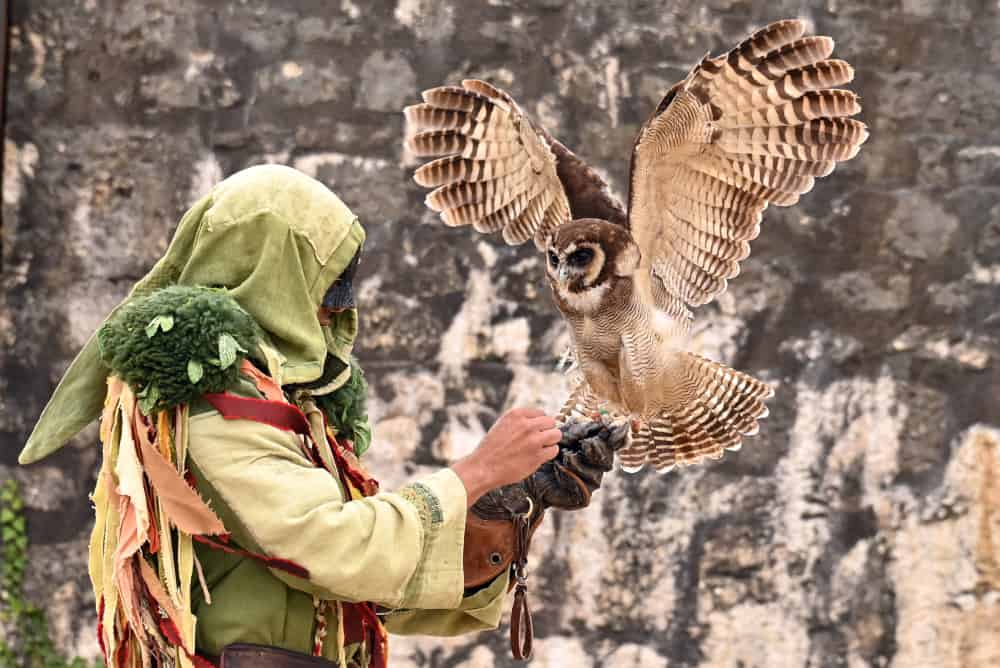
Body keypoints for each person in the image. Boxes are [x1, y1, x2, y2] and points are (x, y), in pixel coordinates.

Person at [19, 165, 623, 667]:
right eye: (327, 286)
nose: (336, 315)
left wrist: (502, 502)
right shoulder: (205, 410)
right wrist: (473, 474)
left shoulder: (288, 414)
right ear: (269, 272)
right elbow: (330, 550)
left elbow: (377, 590)